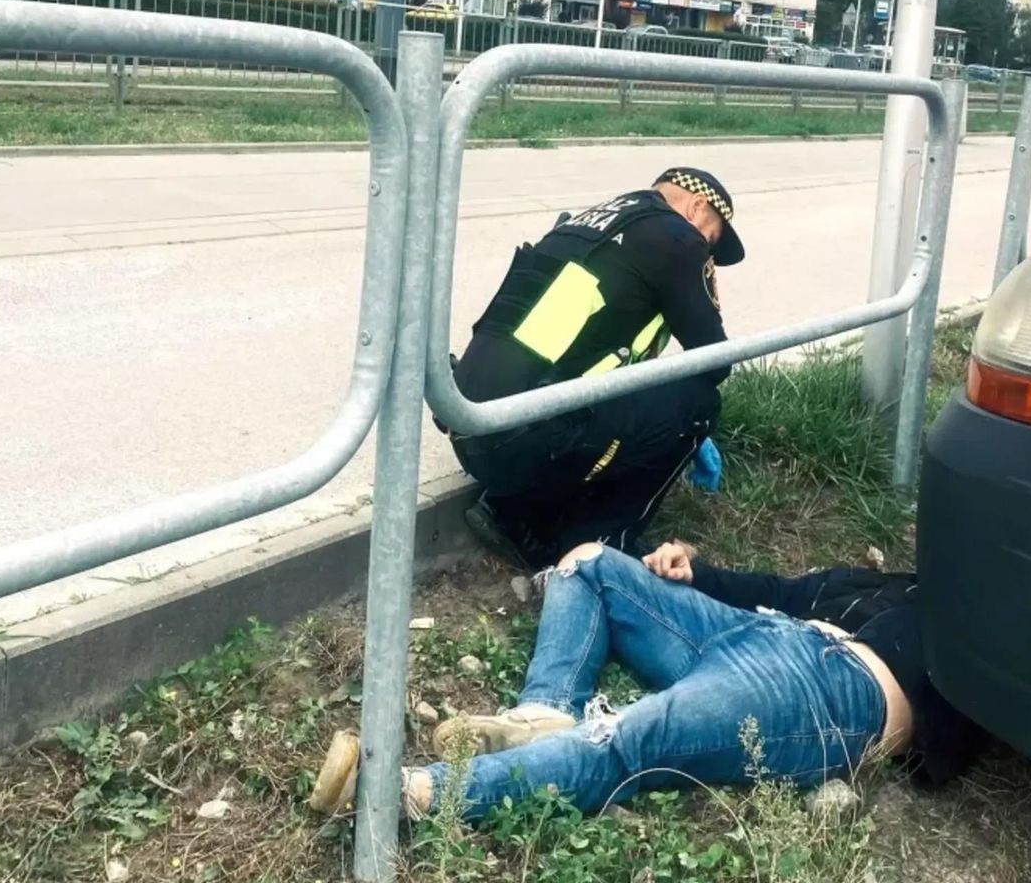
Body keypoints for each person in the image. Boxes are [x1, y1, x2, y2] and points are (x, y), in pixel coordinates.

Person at [309, 541, 982, 822]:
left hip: (826, 694)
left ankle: (410, 793)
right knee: (592, 565)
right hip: (755, 632)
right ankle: (543, 711)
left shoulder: (1001, 631)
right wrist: (690, 565)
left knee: (630, 740)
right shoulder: (882, 581)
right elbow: (771, 589)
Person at [442, 168, 745, 568]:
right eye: (712, 236)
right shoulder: (677, 237)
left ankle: (513, 512)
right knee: (699, 403)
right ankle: (596, 552)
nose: (708, 250)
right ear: (696, 205)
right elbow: (714, 362)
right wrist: (701, 271)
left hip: (470, 427)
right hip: (521, 445)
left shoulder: (589, 223)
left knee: (600, 386)